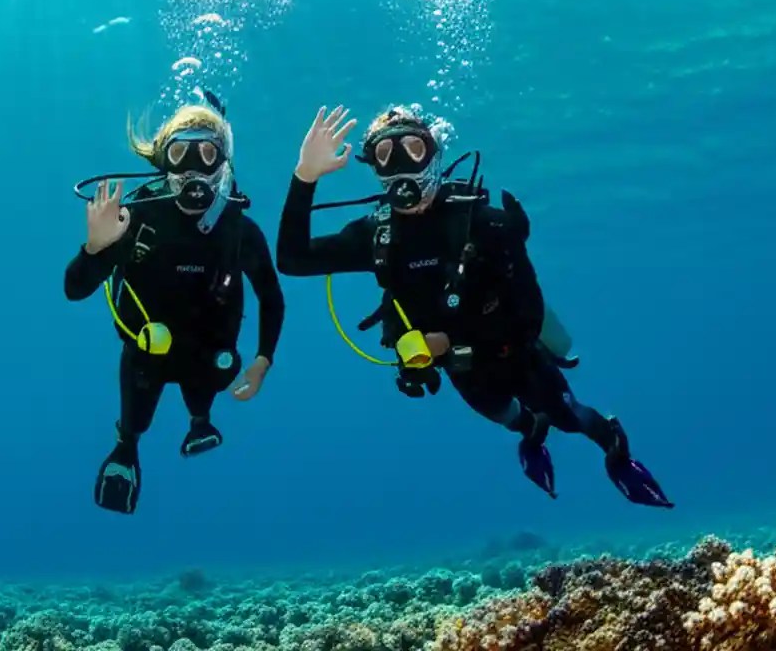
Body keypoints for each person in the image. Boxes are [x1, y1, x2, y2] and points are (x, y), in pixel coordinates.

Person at [274, 104, 672, 508]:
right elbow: (292, 260)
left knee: (570, 418)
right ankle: (533, 436)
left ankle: (616, 450)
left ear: (434, 153)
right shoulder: (378, 235)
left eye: (413, 149)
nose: (400, 166)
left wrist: (448, 340)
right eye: (384, 154)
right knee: (511, 419)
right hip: (464, 373)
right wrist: (305, 176)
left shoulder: (485, 224)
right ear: (374, 168)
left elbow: (530, 317)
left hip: (515, 353)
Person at [65, 91, 285, 514]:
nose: (192, 169)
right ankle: (126, 448)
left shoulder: (239, 230)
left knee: (211, 378)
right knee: (136, 417)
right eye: (179, 154)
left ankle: (199, 420)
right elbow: (75, 290)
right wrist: (95, 249)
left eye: (206, 154)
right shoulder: (136, 217)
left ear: (223, 162)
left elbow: (271, 297)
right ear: (162, 160)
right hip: (147, 351)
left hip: (210, 352)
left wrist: (262, 362)